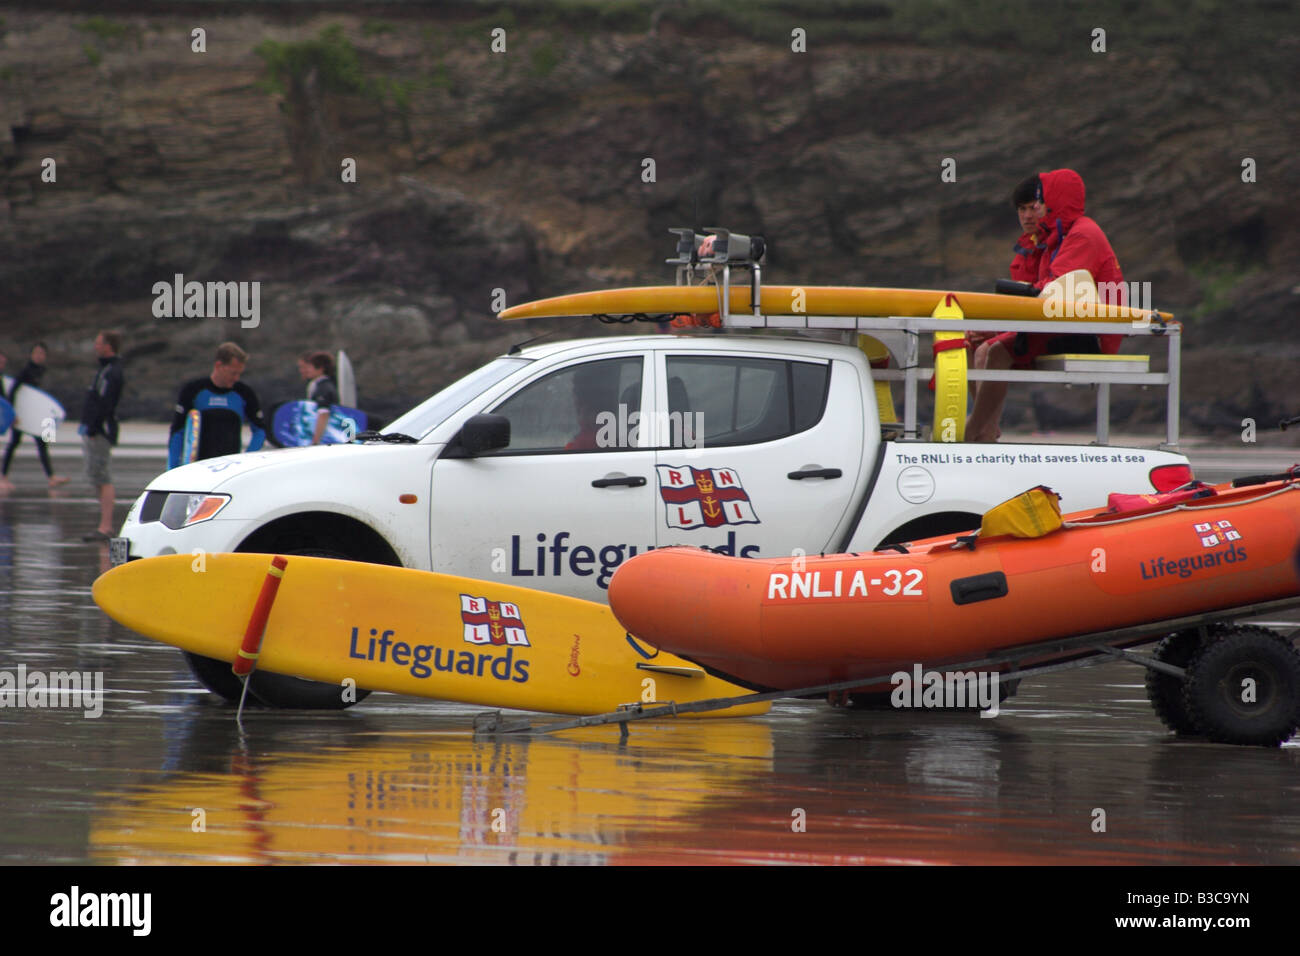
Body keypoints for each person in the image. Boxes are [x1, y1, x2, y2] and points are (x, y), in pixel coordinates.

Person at [966, 169, 1126, 442]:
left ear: (1053, 201)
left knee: (994, 352)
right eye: (1024, 208)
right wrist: (990, 329)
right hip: (1060, 323)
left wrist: (995, 332)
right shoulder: (1050, 239)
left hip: (1089, 331)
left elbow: (1050, 293)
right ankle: (987, 432)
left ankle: (972, 433)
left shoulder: (1082, 235)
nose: (1032, 213)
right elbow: (1031, 300)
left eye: (1038, 204)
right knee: (972, 344)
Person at [167, 342, 266, 469]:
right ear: (218, 365)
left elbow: (260, 430)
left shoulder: (244, 393)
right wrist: (173, 468)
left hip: (229, 468)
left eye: (239, 374)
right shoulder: (193, 390)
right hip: (198, 467)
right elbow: (177, 432)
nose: (236, 378)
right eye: (233, 373)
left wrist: (246, 460)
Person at [1, 342, 71, 490]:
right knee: (14, 443)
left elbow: (41, 399)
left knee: (42, 443)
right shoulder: (26, 371)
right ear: (32, 355)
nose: (39, 356)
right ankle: (3, 477)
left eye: (42, 353)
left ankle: (51, 477)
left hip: (36, 416)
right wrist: (12, 413)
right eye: (36, 353)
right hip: (22, 415)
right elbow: (12, 391)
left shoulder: (42, 371)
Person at [79, 331, 125, 540]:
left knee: (103, 477)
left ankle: (106, 527)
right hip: (95, 429)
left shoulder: (112, 372)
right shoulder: (105, 369)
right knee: (97, 477)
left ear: (108, 345)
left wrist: (94, 427)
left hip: (101, 431)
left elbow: (106, 403)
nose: (95, 346)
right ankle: (103, 525)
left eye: (98, 343)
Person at [297, 350, 338, 445]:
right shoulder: (324, 385)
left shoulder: (324, 387)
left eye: (310, 367)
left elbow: (323, 414)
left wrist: (315, 440)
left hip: (324, 437)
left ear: (320, 368)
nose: (307, 370)